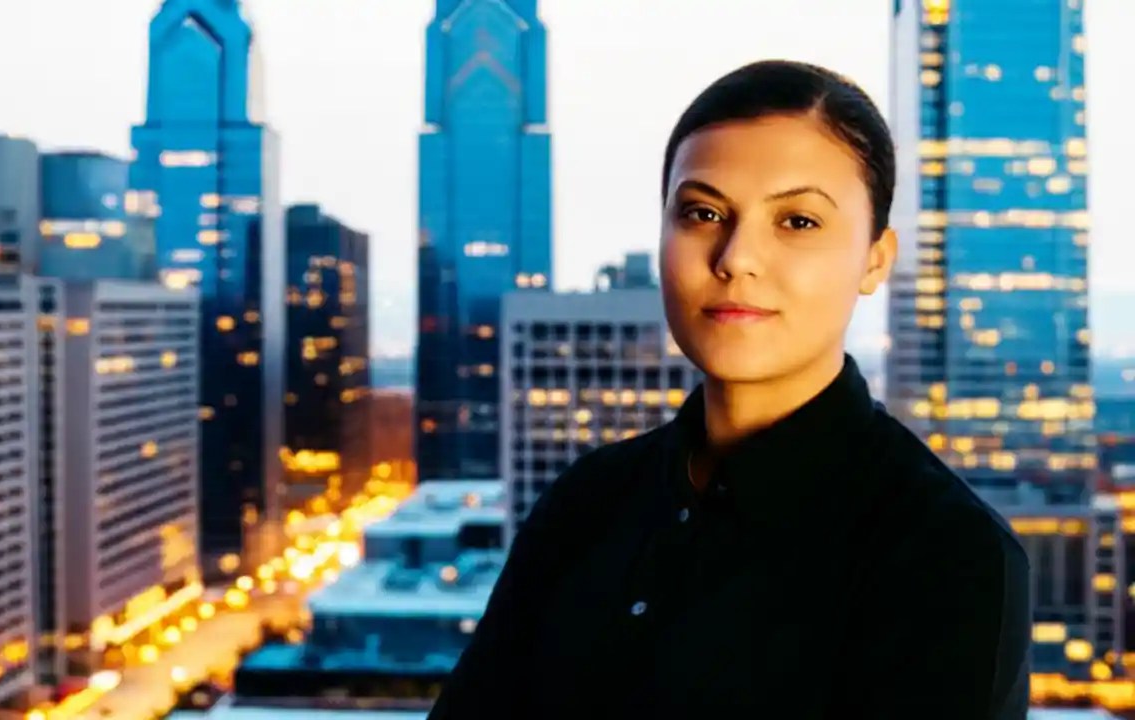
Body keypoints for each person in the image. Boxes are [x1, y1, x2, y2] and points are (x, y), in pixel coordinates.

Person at [428, 59, 1030, 719]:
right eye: (703, 212)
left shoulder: (945, 553)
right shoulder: (587, 502)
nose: (736, 256)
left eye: (798, 221)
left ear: (875, 259)